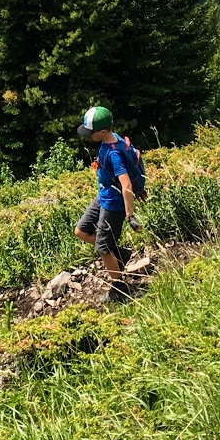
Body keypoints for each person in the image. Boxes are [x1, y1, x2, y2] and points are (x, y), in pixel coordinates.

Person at [73, 104, 138, 296]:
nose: (88, 135)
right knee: (81, 231)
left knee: (102, 247)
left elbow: (126, 185)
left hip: (113, 205)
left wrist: (129, 215)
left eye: (91, 132)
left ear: (102, 131)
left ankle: (119, 290)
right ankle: (119, 254)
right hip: (103, 196)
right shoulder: (112, 138)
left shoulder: (114, 153)